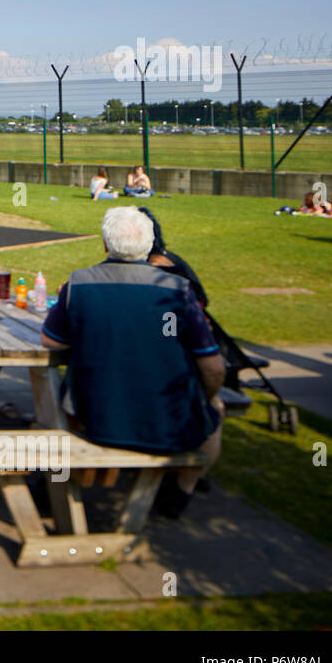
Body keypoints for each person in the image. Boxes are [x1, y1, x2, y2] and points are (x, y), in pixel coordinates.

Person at [41, 207, 225, 518]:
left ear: (105, 244)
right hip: (167, 421)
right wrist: (202, 397)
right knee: (215, 408)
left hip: (93, 418)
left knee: (55, 407)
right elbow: (213, 367)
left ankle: (53, 489)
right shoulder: (178, 291)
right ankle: (182, 490)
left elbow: (51, 341)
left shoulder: (78, 284)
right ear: (151, 244)